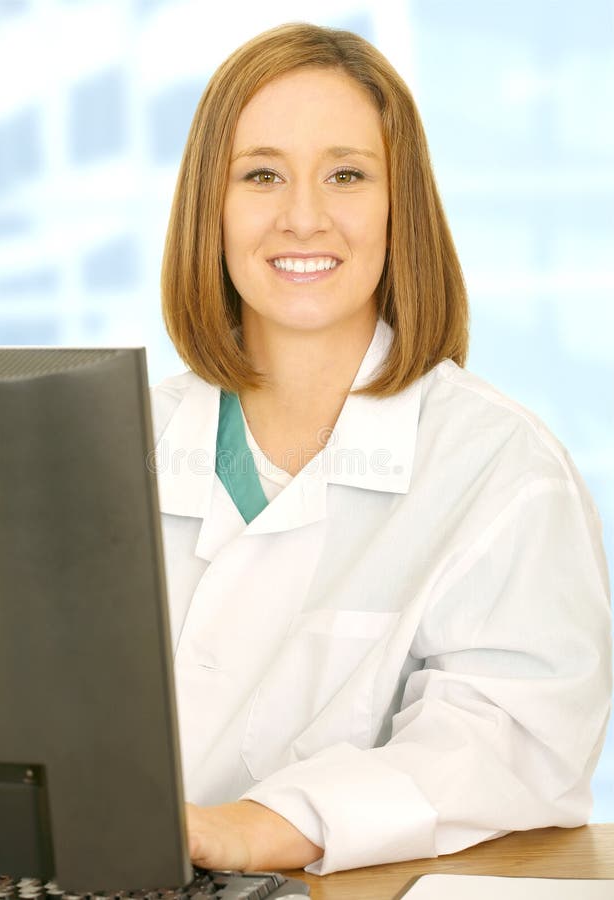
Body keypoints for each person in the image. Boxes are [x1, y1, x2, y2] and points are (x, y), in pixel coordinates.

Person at [150, 23, 612, 876]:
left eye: (347, 175)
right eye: (261, 175)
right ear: (209, 208)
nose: (303, 216)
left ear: (402, 206)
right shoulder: (122, 444)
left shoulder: (500, 470)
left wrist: (259, 827)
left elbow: (511, 742)